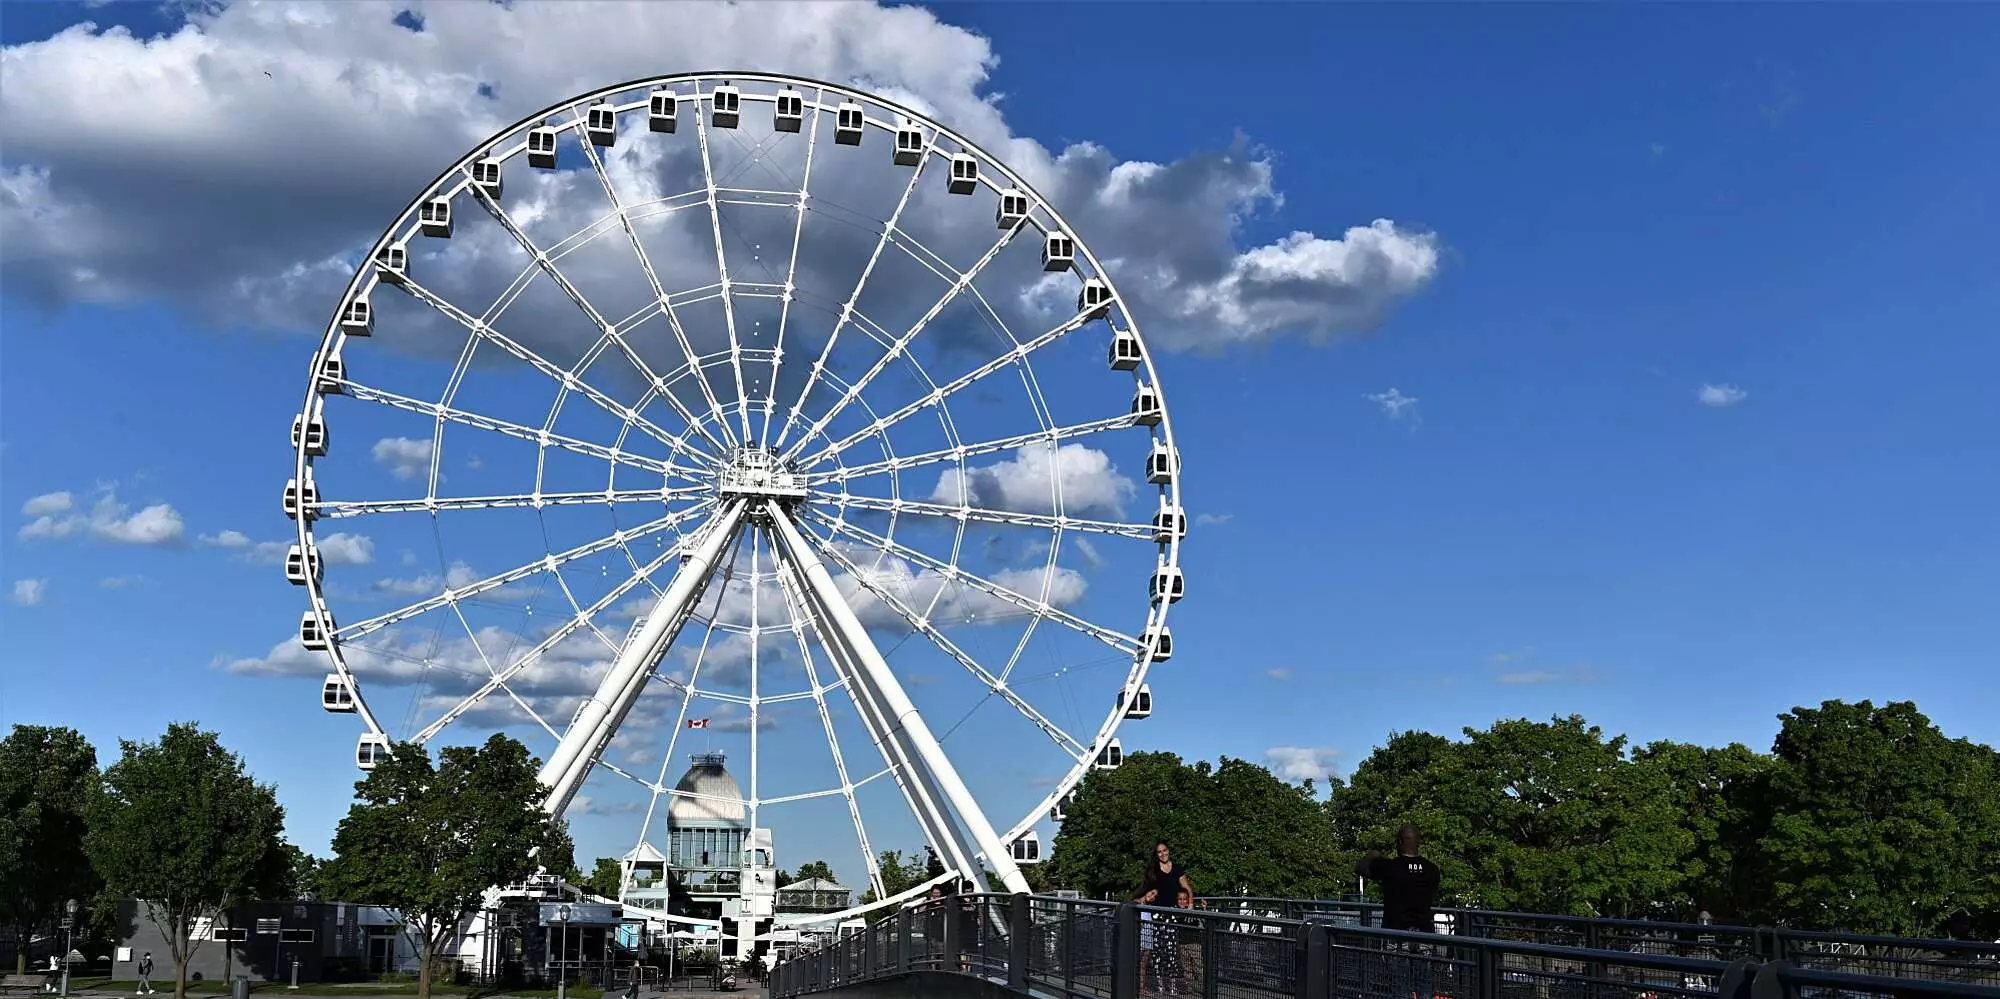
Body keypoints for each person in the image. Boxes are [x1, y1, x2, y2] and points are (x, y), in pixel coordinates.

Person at [1355, 825, 1443, 932]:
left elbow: (1360, 869)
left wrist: (1371, 855)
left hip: (1395, 934)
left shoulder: (1389, 867)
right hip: (1425, 934)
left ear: (1400, 842)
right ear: (1418, 842)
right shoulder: (1432, 869)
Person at [1135, 841, 1193, 996]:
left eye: (1165, 850)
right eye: (1159, 852)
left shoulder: (1177, 868)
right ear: (1156, 854)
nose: (1163, 854)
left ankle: (1172, 987)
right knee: (1158, 952)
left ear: (1169, 850)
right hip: (1156, 915)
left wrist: (1191, 904)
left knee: (1172, 951)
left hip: (1171, 915)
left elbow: (1186, 888)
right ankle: (1161, 986)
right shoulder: (1153, 870)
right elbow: (1145, 890)